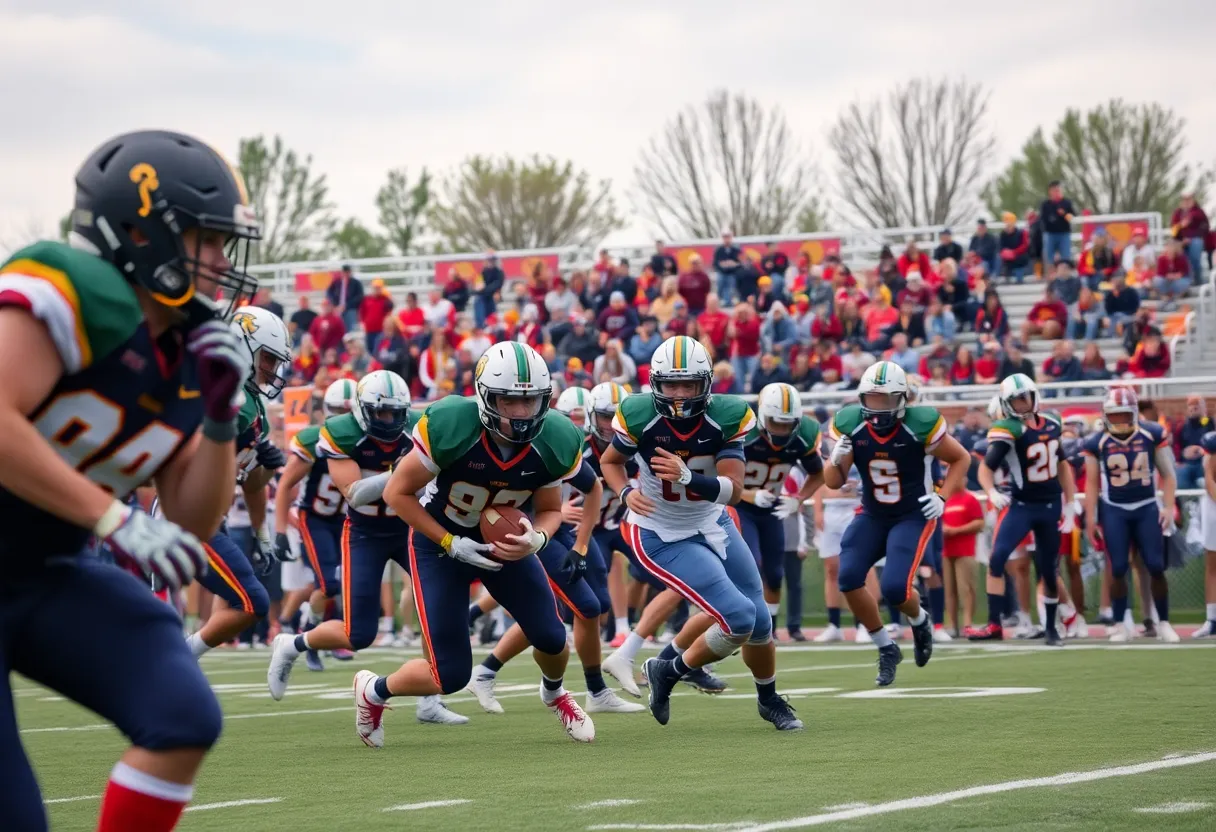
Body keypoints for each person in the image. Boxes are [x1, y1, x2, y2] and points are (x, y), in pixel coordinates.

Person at [0, 129, 259, 830]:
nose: (219, 262)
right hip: (49, 553)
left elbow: (188, 526)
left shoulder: (183, 346)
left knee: (181, 710)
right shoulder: (72, 285)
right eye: (205, 240)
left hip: (40, 568)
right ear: (140, 231)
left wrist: (218, 418)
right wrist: (111, 518)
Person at [360, 343, 594, 745]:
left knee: (553, 637)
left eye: (531, 401)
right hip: (439, 545)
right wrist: (451, 542)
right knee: (450, 675)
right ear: (486, 395)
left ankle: (554, 693)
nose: (521, 413)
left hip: (505, 547)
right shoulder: (452, 423)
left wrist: (537, 538)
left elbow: (550, 509)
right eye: (509, 400)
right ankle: (373, 691)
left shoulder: (555, 436)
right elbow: (397, 493)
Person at [595, 336, 801, 730]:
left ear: (705, 383)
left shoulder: (727, 414)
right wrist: (624, 491)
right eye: (671, 384)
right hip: (660, 531)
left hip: (712, 520)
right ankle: (671, 669)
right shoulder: (638, 415)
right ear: (656, 383)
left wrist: (691, 477)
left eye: (688, 385)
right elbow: (610, 460)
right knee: (738, 617)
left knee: (759, 621)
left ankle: (767, 698)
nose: (678, 394)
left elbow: (735, 490)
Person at [464, 386, 642, 716]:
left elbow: (594, 489)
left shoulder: (630, 449)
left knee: (587, 609)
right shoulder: (559, 443)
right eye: (605, 417)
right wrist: (559, 511)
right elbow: (531, 493)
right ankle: (584, 689)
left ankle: (488, 671)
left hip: (581, 534)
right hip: (538, 531)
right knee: (582, 608)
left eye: (617, 417)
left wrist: (581, 544)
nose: (611, 425)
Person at [824, 362, 970, 684]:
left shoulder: (921, 424)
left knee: (894, 588)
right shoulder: (851, 424)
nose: (877, 408)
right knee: (847, 577)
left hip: (913, 514)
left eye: (885, 400)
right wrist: (835, 457)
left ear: (902, 399)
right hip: (873, 513)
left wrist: (942, 496)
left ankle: (920, 621)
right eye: (872, 399)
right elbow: (833, 482)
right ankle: (885, 647)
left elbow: (961, 458)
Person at [187, 306, 293, 659]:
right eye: (268, 358)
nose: (273, 369)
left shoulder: (254, 406)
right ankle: (181, 658)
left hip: (208, 519)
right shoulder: (235, 401)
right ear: (243, 347)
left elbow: (248, 482)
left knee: (249, 599)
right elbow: (208, 468)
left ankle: (179, 659)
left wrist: (264, 467)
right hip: (188, 514)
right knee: (251, 600)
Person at [971, 374, 1077, 645]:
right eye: (1016, 400)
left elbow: (1062, 464)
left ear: (1033, 395)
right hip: (1022, 505)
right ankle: (995, 624)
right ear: (1006, 404)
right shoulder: (1008, 430)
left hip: (1051, 504)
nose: (1022, 403)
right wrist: (991, 491)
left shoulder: (1052, 422)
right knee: (998, 558)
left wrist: (1071, 501)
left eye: (1025, 397)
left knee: (1048, 569)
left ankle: (1052, 629)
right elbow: (986, 468)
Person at [1082, 387, 1179, 643]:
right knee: (1118, 569)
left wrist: (1167, 507)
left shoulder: (1151, 434)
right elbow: (1091, 483)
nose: (1120, 421)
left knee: (1156, 566)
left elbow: (1168, 475)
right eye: (1115, 415)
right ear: (1105, 415)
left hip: (1147, 506)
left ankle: (1164, 622)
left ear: (1135, 413)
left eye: (1125, 414)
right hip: (1115, 509)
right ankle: (1120, 621)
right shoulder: (1097, 442)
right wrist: (1091, 517)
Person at [272, 378, 355, 669]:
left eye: (349, 412)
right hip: (315, 519)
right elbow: (285, 485)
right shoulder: (314, 442)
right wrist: (280, 530)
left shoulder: (366, 441)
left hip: (344, 520)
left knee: (349, 582)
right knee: (328, 583)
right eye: (338, 411)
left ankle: (323, 635)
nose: (343, 419)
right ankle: (309, 637)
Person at [735, 383, 825, 633]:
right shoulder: (743, 433)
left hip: (772, 509)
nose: (783, 430)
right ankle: (741, 623)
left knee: (775, 574)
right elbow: (715, 476)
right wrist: (747, 494)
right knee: (750, 566)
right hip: (739, 506)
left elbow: (819, 474)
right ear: (762, 416)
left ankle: (769, 628)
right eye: (776, 422)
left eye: (789, 423)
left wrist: (798, 498)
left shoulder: (802, 437)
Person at [941, 488, 983, 636]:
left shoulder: (970, 499)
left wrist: (956, 530)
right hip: (946, 550)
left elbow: (979, 523)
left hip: (965, 550)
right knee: (949, 589)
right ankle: (952, 624)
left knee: (966, 588)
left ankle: (967, 623)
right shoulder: (943, 499)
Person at [1194, 430, 1216, 639]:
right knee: (1212, 563)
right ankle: (1212, 619)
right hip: (1213, 509)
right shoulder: (1211, 447)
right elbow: (1210, 483)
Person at [1176, 395, 1213, 490]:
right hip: (1187, 463)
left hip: (1206, 461)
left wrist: (1203, 451)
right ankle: (1188, 503)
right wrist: (1183, 454)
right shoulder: (1182, 426)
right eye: (1191, 406)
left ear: (1203, 408)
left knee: (1204, 474)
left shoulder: (1211, 423)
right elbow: (1177, 446)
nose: (1193, 408)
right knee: (1181, 474)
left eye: (1196, 406)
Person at [1039, 181, 1075, 267]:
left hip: (1064, 233)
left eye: (1058, 190)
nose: (1056, 192)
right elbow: (1042, 219)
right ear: (1050, 191)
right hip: (1050, 233)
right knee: (1048, 257)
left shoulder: (1066, 202)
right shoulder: (1045, 204)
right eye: (1054, 190)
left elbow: (1072, 216)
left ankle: (1065, 275)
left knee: (1066, 256)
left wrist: (1064, 213)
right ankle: (1050, 276)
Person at [327, 264, 365, 331]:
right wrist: (334, 303)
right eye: (344, 272)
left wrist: (347, 305)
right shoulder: (336, 282)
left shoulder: (356, 283)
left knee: (351, 329)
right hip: (337, 309)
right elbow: (329, 292)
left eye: (347, 272)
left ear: (350, 272)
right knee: (337, 328)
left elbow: (360, 296)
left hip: (351, 309)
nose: (345, 274)